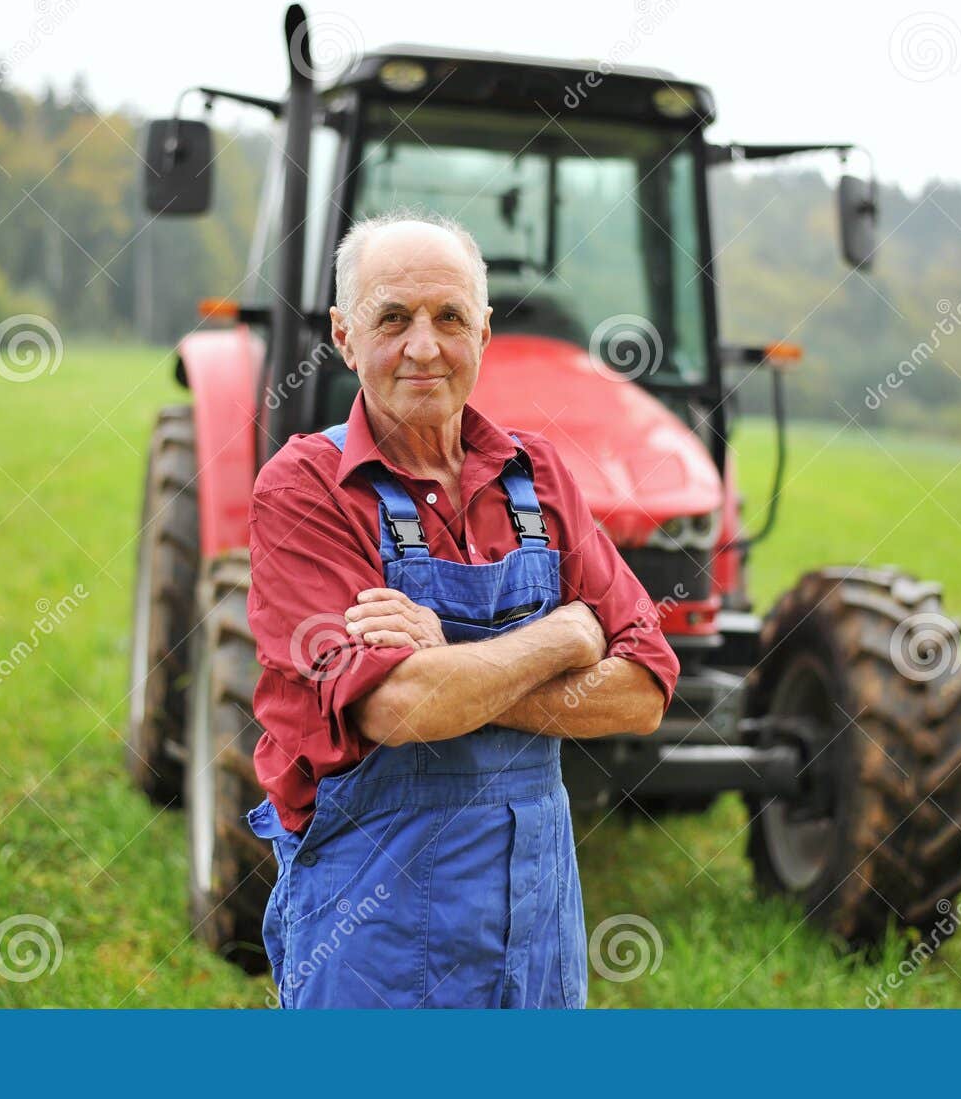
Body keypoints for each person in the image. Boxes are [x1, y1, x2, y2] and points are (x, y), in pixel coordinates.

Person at [243, 211, 679, 1008]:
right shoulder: (305, 490)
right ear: (344, 335)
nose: (423, 346)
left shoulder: (538, 475)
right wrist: (563, 635)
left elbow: (646, 687)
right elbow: (400, 705)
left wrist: (453, 660)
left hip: (537, 930)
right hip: (371, 931)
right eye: (393, 317)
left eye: (448, 317)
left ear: (482, 333)